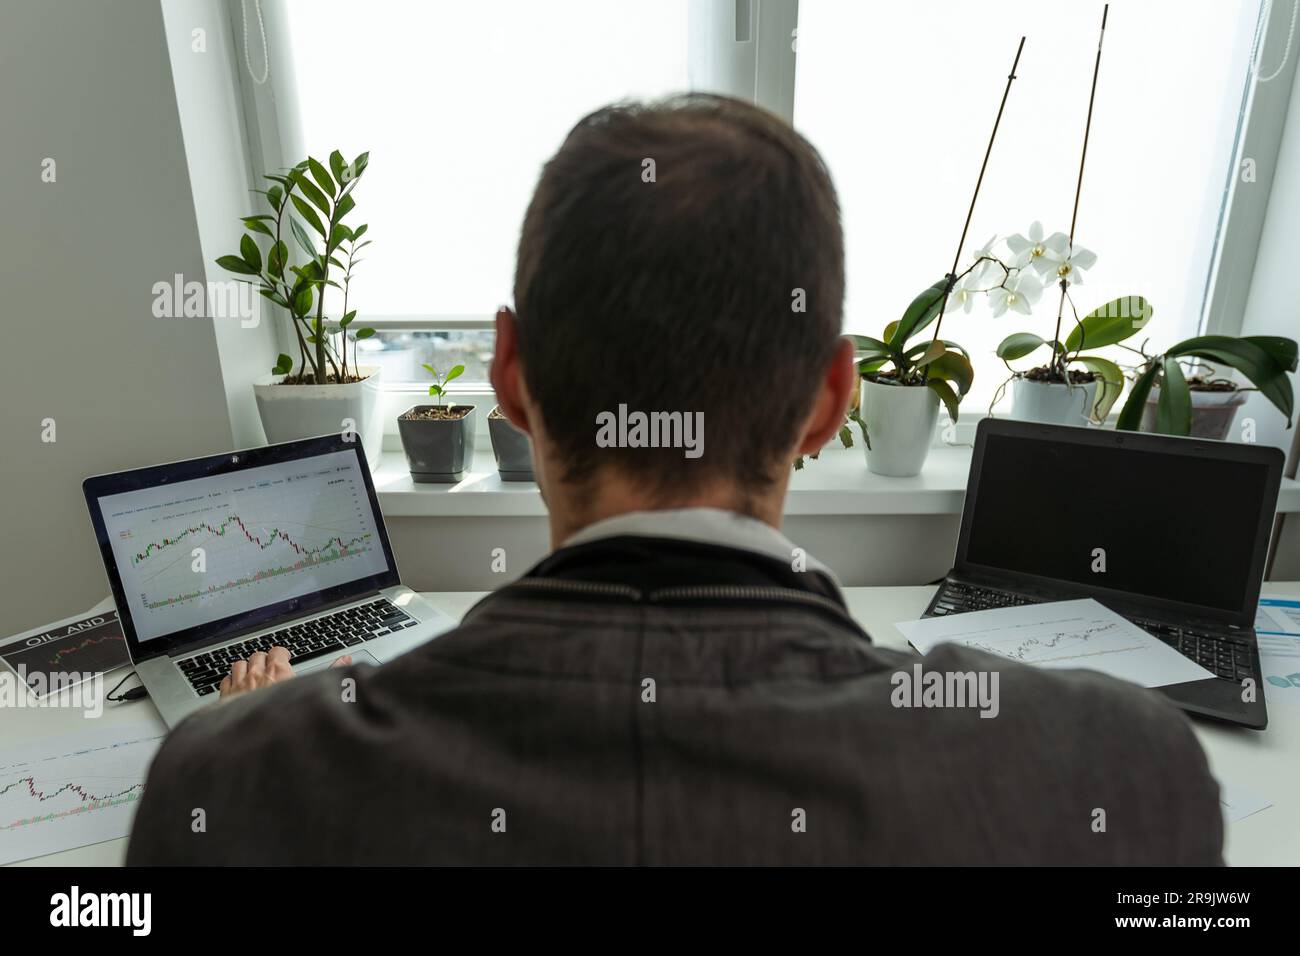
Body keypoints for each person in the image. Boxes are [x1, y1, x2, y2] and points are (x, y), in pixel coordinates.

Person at [127, 94, 1222, 865]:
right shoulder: (1117, 768)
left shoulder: (222, 786)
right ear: (831, 399)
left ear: (510, 376)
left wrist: (265, 735)